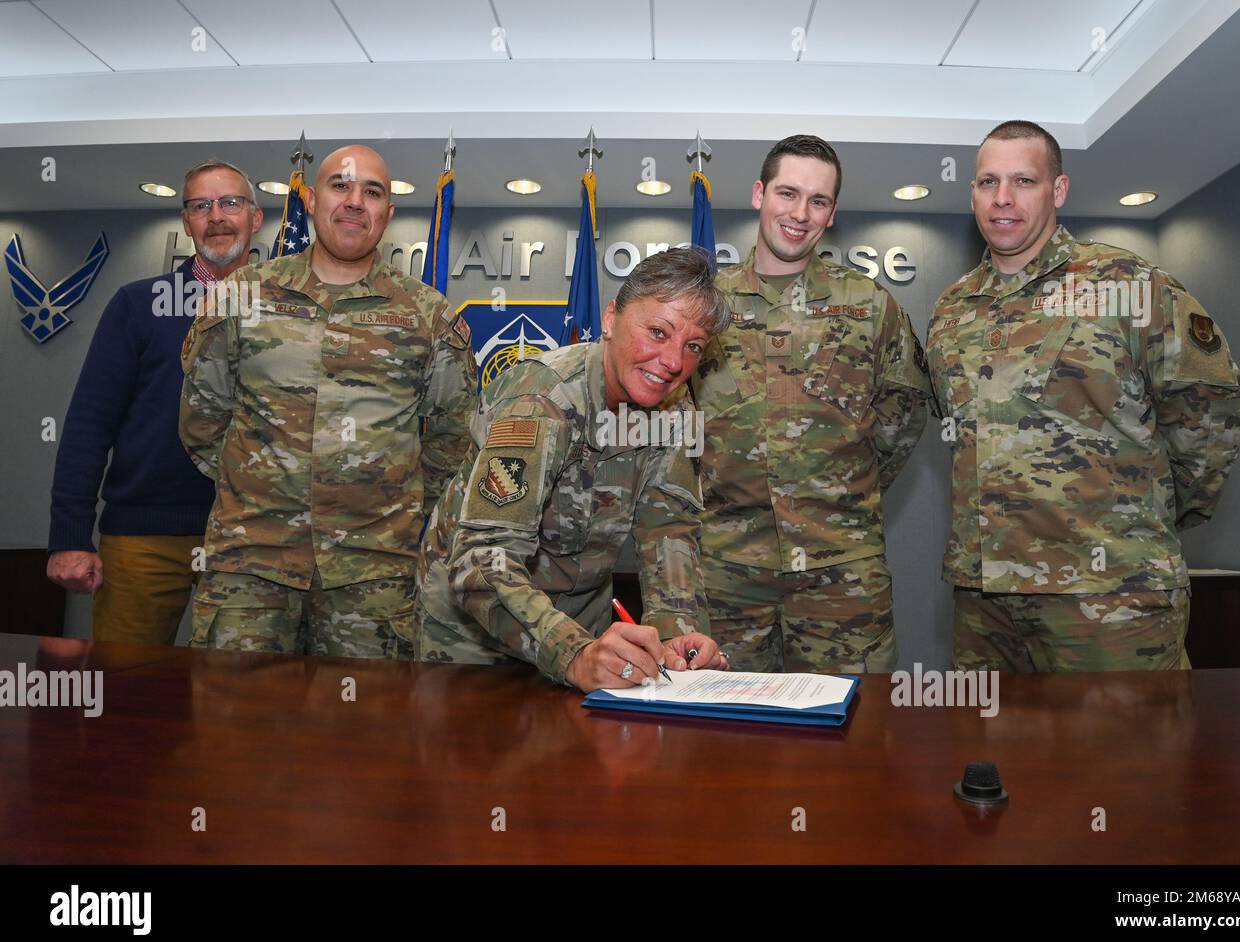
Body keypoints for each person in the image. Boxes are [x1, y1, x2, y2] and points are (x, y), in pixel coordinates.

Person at [928, 120, 1240, 671]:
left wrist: (1150, 521)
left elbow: (1206, 416)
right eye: (987, 182)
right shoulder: (951, 310)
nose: (1002, 199)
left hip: (1111, 594)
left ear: (1059, 190)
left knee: (1126, 758)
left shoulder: (1127, 285)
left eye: (1023, 181)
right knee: (990, 755)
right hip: (984, 603)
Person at [179, 144, 476, 659]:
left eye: (373, 192)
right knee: (234, 730)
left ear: (389, 212)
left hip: (374, 574)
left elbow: (454, 438)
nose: (355, 202)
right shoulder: (243, 296)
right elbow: (203, 420)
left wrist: (391, 505)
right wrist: (260, 487)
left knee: (363, 734)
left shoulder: (428, 316)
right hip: (250, 565)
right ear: (312, 201)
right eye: (341, 186)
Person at [417, 247, 728, 692]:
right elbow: (482, 561)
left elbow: (669, 531)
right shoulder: (543, 399)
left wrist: (675, 634)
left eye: (692, 346)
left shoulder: (674, 411)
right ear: (610, 319)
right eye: (658, 332)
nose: (674, 362)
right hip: (475, 640)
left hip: (585, 629)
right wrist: (573, 654)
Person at [693, 134, 931, 674]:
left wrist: (836, 490)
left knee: (859, 733)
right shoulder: (705, 305)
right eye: (788, 193)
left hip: (842, 572)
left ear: (832, 214)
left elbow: (903, 416)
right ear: (759, 195)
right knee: (721, 736)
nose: (800, 213)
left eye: (818, 201)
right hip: (727, 571)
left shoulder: (868, 305)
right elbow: (664, 418)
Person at [47, 160, 264, 644]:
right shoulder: (139, 305)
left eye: (231, 202)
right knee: (124, 691)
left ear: (256, 217)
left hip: (254, 537)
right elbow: (87, 424)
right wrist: (68, 538)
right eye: (200, 206)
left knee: (242, 696)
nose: (217, 216)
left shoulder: (286, 312)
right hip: (143, 537)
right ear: (186, 221)